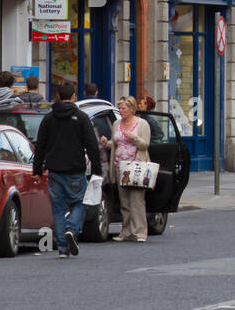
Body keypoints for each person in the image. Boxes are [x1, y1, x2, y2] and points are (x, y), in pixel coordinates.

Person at [33, 81, 102, 259]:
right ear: (73, 97)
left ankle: (63, 248)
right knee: (79, 203)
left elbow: (40, 145)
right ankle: (72, 229)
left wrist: (37, 168)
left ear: (57, 96)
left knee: (57, 208)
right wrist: (97, 168)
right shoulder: (81, 118)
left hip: (54, 170)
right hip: (75, 170)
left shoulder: (49, 118)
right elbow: (92, 145)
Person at [98, 96, 151, 243]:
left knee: (137, 200)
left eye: (123, 108)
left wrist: (134, 138)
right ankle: (126, 230)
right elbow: (116, 143)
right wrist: (106, 143)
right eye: (119, 108)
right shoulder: (116, 124)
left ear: (132, 109)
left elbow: (145, 145)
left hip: (136, 167)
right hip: (119, 166)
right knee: (124, 201)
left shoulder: (142, 124)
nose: (120, 111)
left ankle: (140, 232)